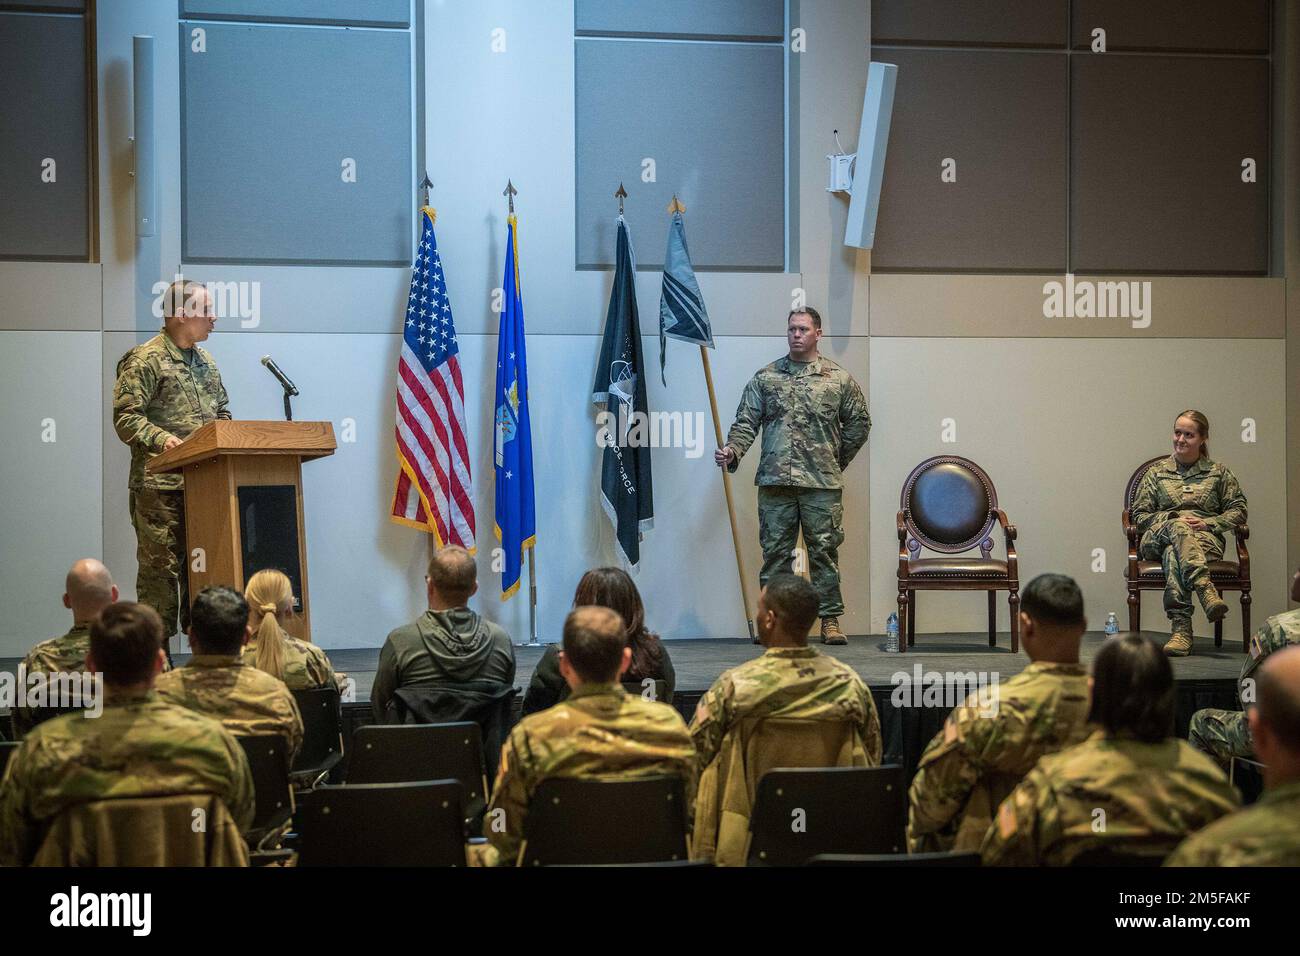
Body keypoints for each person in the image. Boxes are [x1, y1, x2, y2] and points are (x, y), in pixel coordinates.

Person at [0, 602, 253, 866]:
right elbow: (242, 825)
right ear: (160, 663)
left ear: (91, 666)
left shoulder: (41, 751)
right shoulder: (214, 744)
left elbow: (11, 847)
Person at [980, 634, 1238, 866]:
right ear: (1169, 696)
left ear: (1093, 694)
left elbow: (996, 856)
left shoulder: (1052, 783)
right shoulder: (1211, 785)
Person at [482, 606, 695, 866]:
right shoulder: (670, 728)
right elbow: (693, 814)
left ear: (563, 664)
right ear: (626, 659)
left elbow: (503, 830)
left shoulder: (531, 737)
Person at [690, 574, 881, 863]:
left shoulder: (733, 688)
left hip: (746, 840)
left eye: (758, 610)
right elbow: (872, 756)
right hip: (833, 837)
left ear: (769, 619)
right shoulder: (850, 686)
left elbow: (694, 755)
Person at [714, 307, 870, 645]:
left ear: (818, 333)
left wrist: (833, 460)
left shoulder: (837, 379)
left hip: (821, 485)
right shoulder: (766, 378)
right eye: (791, 330)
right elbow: (745, 423)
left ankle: (830, 620)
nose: (796, 335)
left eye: (802, 329)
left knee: (824, 553)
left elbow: (860, 423)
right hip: (775, 483)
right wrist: (733, 451)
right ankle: (775, 622)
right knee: (775, 556)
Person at [907, 573, 1093, 854]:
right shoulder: (1117, 707)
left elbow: (928, 807)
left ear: (1025, 625)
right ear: (1083, 627)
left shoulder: (987, 710)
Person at [113, 279, 231, 643]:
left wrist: (225, 436)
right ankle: (154, 671)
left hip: (203, 488)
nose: (215, 318)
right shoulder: (145, 360)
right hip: (159, 493)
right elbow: (126, 417)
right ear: (181, 314)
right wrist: (163, 439)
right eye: (207, 310)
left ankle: (207, 665)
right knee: (160, 581)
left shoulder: (206, 363)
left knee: (205, 579)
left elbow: (222, 412)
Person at [1167, 646, 1300, 866]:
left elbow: (1247, 681)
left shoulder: (1212, 853)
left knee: (1203, 721)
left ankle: (1205, 816)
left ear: (1260, 735)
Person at [1130, 409, 1246, 657]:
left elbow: (1238, 510)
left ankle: (1181, 630)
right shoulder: (1156, 473)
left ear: (1203, 438)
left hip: (1203, 540)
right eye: (1177, 433)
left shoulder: (1218, 473)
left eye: (1189, 434)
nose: (1180, 439)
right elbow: (1139, 518)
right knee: (1177, 529)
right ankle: (1205, 589)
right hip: (1157, 538)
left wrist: (1209, 524)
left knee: (1175, 553)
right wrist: (1173, 518)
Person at [156, 585, 303, 761]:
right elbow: (293, 750)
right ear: (246, 637)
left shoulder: (159, 694)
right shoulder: (275, 695)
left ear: (191, 637)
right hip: (265, 787)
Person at [371, 545, 515, 722]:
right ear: (474, 588)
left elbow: (380, 708)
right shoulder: (500, 641)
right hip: (482, 749)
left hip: (415, 748)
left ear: (430, 586)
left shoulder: (400, 643)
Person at [521, 567, 675, 716]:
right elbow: (666, 700)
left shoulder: (561, 654)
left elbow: (533, 714)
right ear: (633, 605)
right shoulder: (656, 653)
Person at [1189, 567, 1300, 770]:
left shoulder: (1279, 628)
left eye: (1298, 572)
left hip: (1285, 731)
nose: (1294, 576)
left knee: (1201, 723)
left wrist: (1256, 720)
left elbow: (1248, 682)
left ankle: (1211, 799)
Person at [12, 559, 121, 737]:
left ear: (67, 601)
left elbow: (21, 734)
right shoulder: (140, 655)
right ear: (114, 594)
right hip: (126, 761)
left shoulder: (38, 659)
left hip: (55, 761)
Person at [242, 569, 336, 691]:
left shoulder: (232, 660)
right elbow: (332, 699)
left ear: (247, 607)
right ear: (289, 608)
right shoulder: (312, 658)